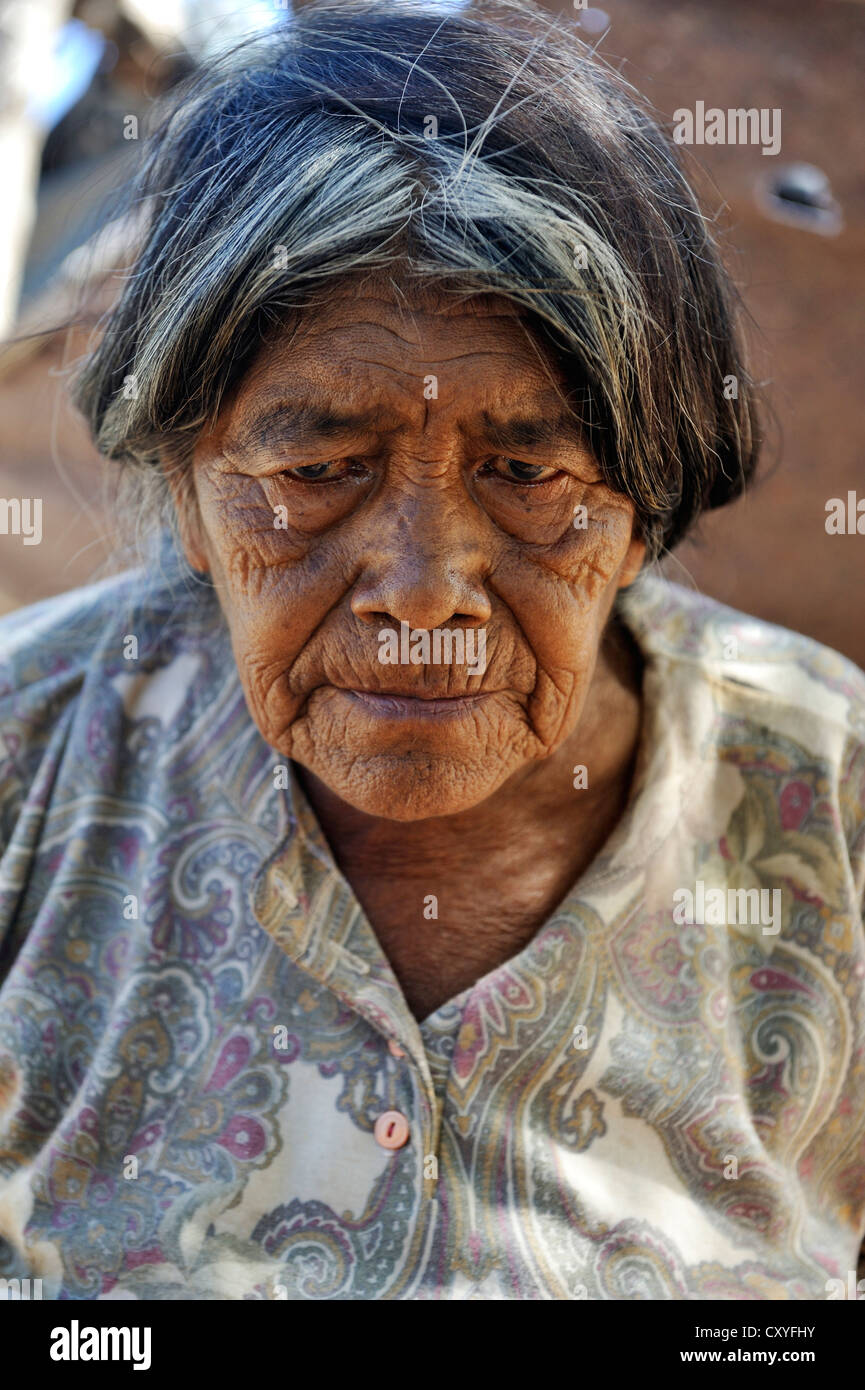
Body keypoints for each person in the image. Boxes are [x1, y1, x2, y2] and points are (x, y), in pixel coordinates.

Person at [0, 0, 863, 1301]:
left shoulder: (824, 789)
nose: (417, 592)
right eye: (317, 471)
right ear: (185, 490)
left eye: (526, 473)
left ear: (640, 510)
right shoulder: (26, 762)